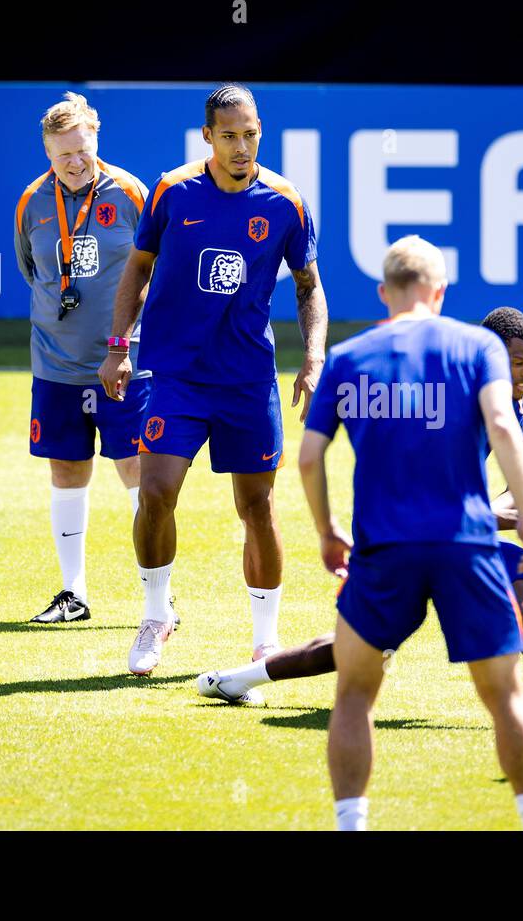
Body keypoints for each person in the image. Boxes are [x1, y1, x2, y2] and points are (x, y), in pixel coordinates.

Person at [196, 306, 523, 730]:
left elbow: (516, 489)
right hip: (393, 539)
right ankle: (238, 679)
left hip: (439, 538)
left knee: (503, 564)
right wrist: (519, 518)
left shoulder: (505, 403)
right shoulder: (446, 406)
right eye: (518, 363)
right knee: (351, 648)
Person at [299, 235, 523, 830]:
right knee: (506, 697)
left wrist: (327, 530)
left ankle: (351, 824)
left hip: (383, 549)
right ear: (440, 292)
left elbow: (309, 457)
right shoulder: (476, 347)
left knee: (356, 694)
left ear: (385, 293)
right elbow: (503, 428)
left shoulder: (349, 356)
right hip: (466, 544)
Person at [98, 83, 327, 675]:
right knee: (155, 492)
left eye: (251, 134)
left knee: (257, 506)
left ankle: (266, 641)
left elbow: (309, 286)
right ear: (208, 137)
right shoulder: (173, 191)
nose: (242, 146)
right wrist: (119, 347)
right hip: (176, 374)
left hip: (248, 380)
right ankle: (156, 614)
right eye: (229, 135)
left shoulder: (285, 202)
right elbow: (138, 268)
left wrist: (314, 357)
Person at [14, 92, 160, 625]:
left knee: (137, 469)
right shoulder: (32, 201)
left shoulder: (131, 193)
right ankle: (72, 593)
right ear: (47, 153)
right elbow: (34, 272)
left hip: (126, 361)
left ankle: (158, 595)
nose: (74, 162)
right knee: (66, 468)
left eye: (82, 149)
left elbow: (154, 269)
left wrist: (124, 340)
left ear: (96, 138)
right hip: (55, 364)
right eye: (62, 155)